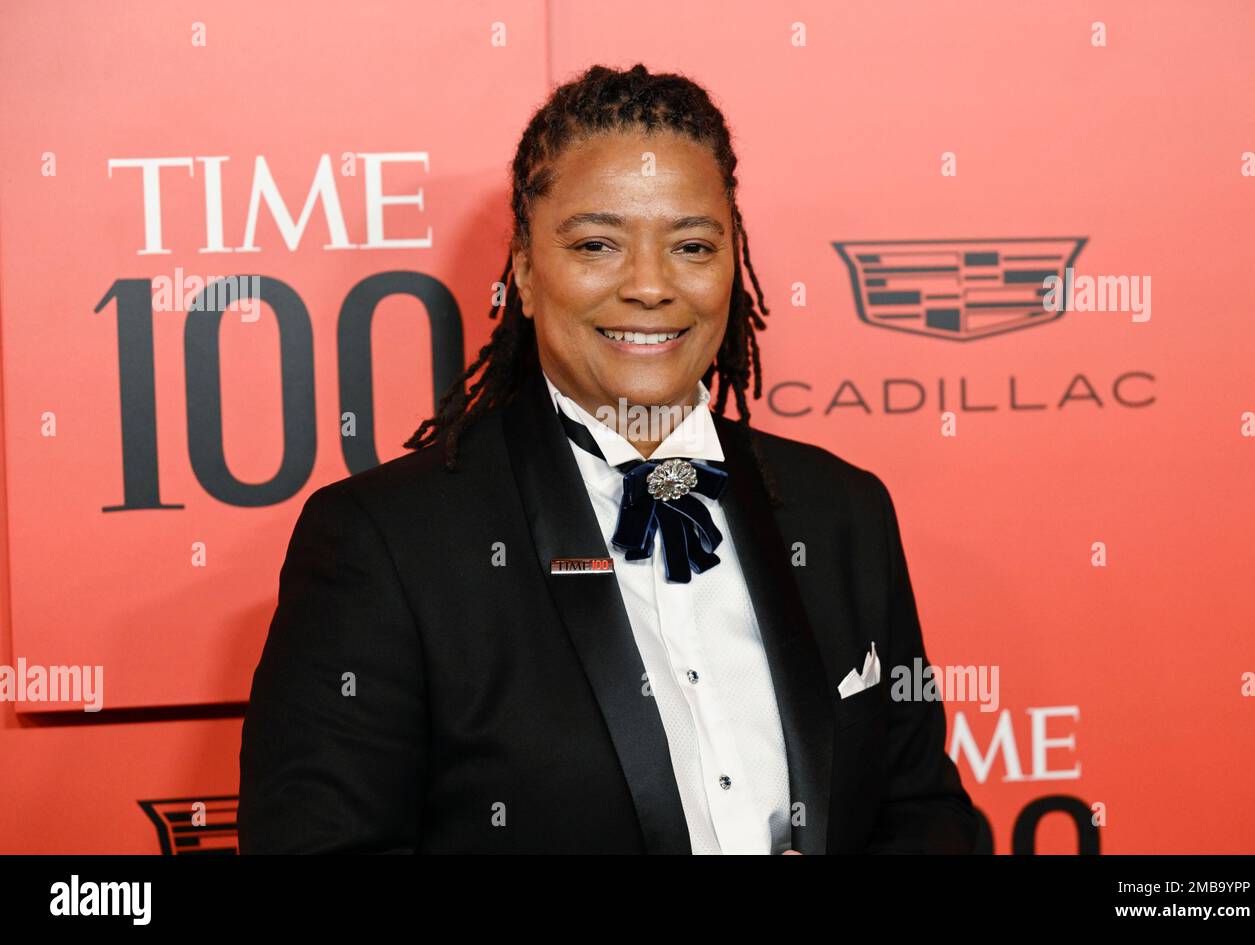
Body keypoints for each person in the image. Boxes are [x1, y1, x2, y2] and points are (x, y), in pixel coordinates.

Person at [238, 63, 978, 854]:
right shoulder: (384, 545)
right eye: (598, 244)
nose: (651, 286)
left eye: (691, 244)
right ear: (523, 270)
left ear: (734, 262)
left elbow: (928, 819)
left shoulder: (842, 512)